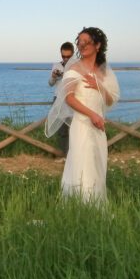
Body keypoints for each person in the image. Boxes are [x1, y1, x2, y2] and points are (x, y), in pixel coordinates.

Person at [45, 27, 119, 204]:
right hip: (82, 125)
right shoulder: (75, 68)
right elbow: (69, 98)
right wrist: (92, 115)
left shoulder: (104, 71)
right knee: (82, 166)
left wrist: (99, 86)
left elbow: (110, 100)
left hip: (98, 127)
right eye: (80, 41)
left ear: (98, 45)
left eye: (87, 42)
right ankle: (82, 207)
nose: (82, 45)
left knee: (97, 165)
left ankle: (98, 208)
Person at [47, 40, 75, 156]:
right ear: (60, 54)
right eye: (63, 56)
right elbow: (50, 83)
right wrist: (54, 77)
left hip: (72, 99)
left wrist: (66, 76)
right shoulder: (56, 65)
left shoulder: (77, 65)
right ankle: (64, 155)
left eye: (68, 56)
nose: (65, 59)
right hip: (58, 98)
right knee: (61, 130)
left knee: (75, 128)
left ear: (73, 54)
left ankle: (74, 155)